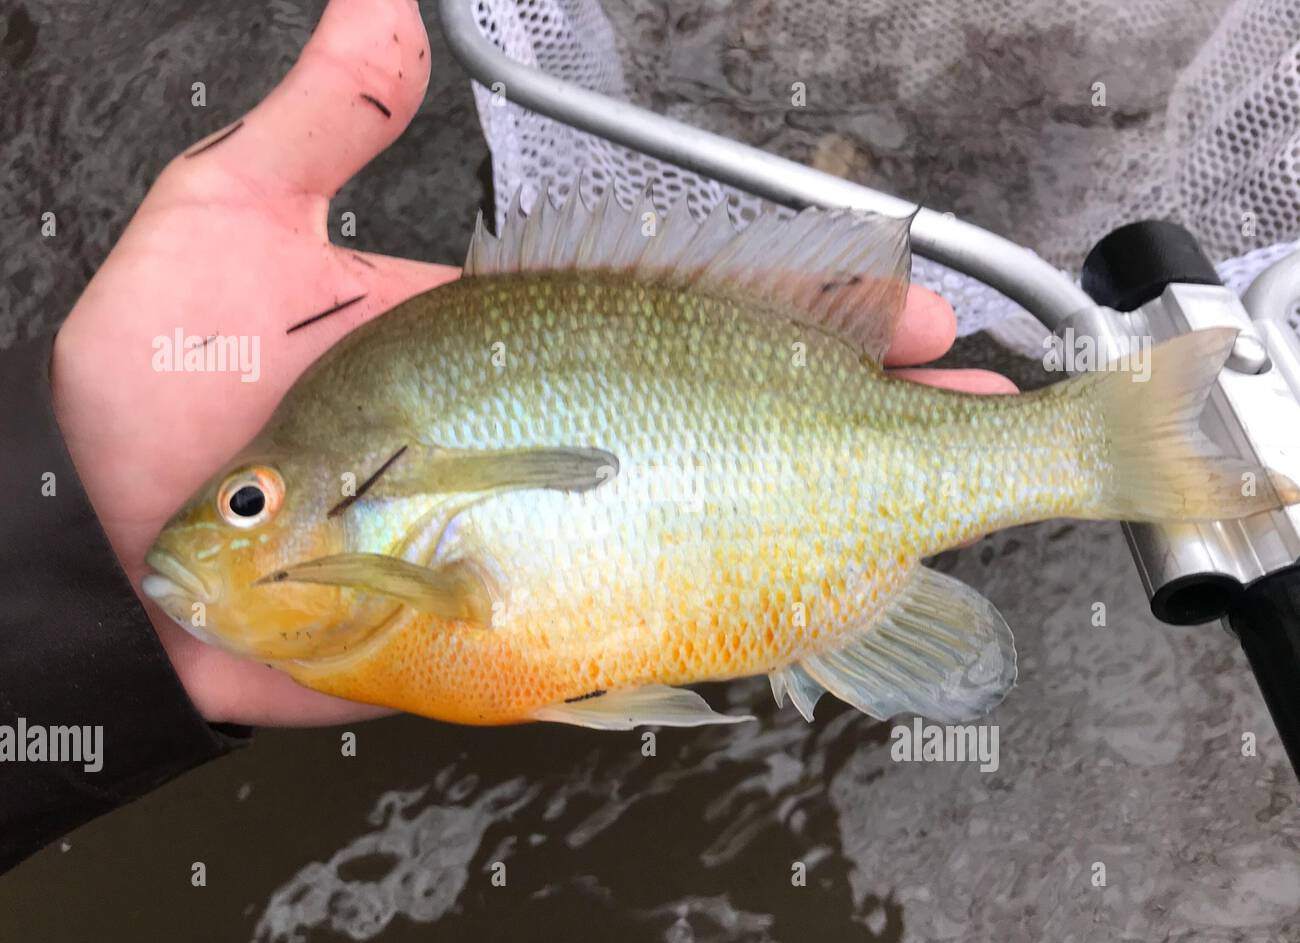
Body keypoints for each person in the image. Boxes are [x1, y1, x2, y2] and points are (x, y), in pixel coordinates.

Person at [0, 0, 1014, 874]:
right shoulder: (348, 559)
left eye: (248, 500)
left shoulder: (374, 568)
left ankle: (1097, 448)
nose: (192, 546)